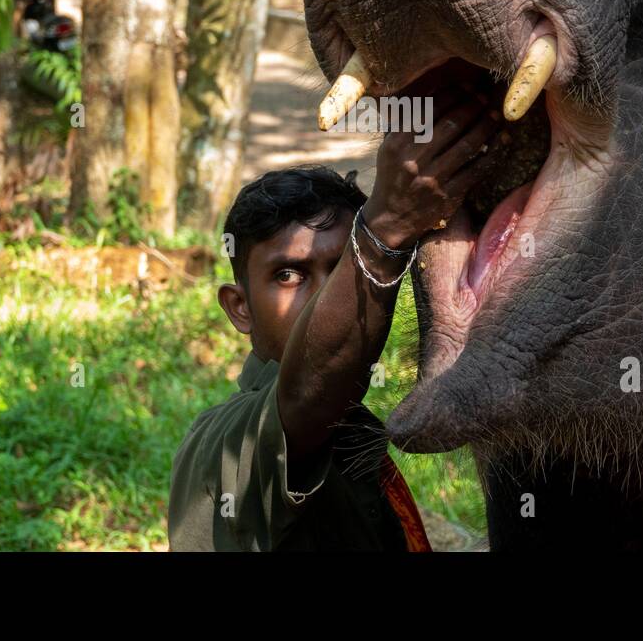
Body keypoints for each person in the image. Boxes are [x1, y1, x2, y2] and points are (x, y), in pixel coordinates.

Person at [168, 80, 502, 550]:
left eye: (341, 266)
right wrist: (387, 226)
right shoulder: (226, 440)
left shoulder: (346, 432)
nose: (325, 295)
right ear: (239, 307)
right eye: (289, 274)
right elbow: (308, 393)